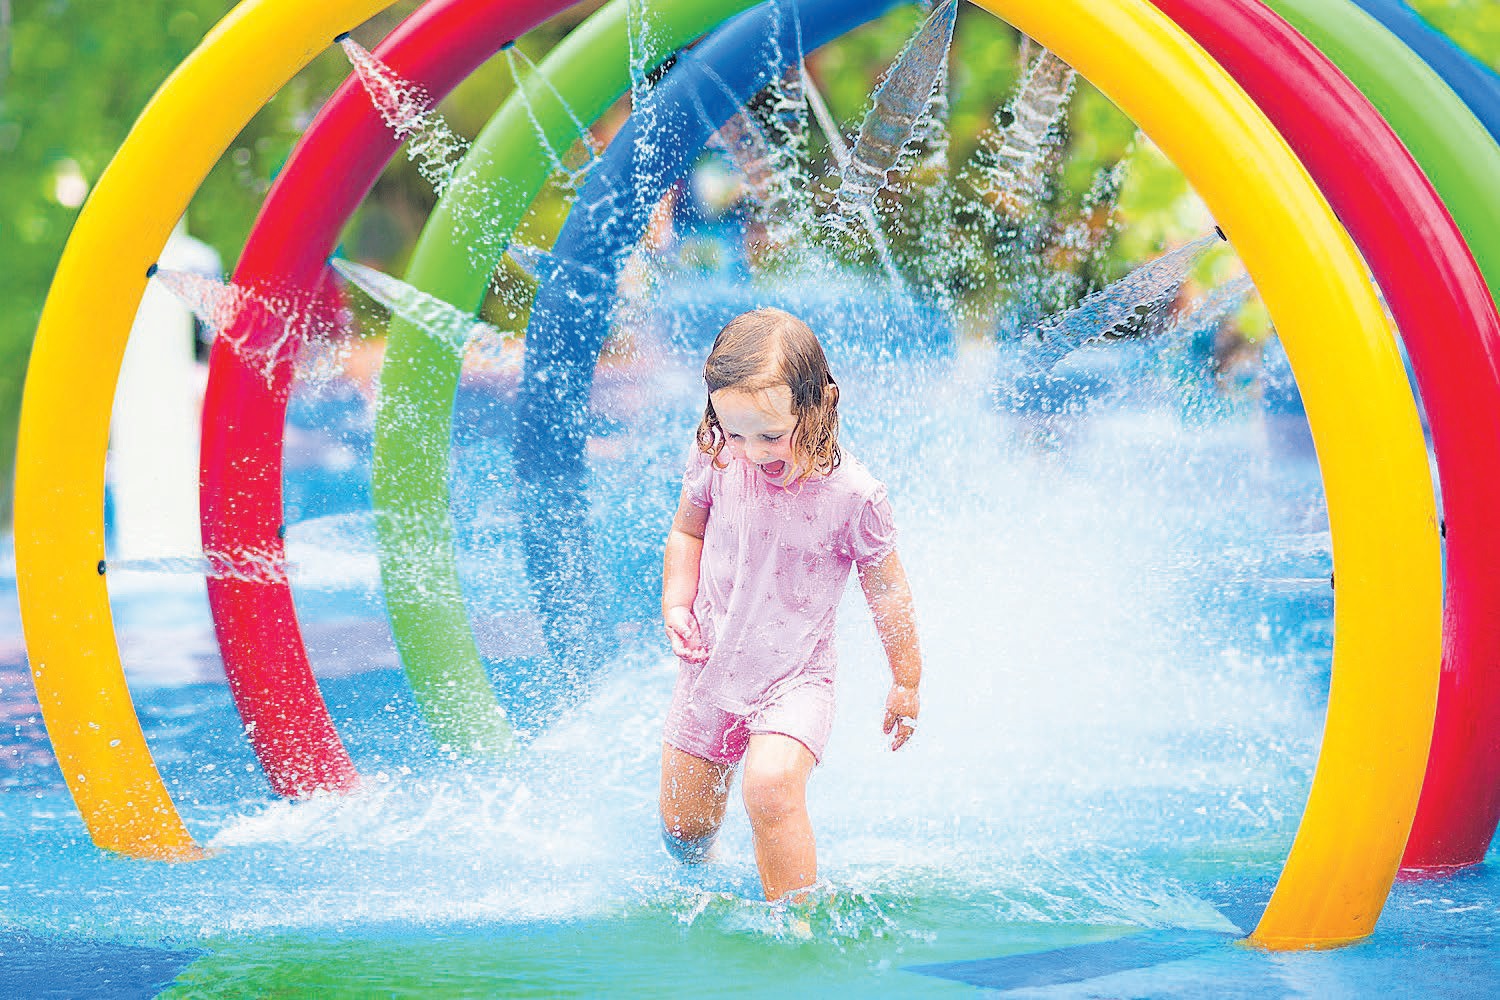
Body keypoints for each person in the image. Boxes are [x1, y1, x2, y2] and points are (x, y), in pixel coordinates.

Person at [659, 307, 923, 903]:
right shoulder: (716, 455)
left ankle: (795, 926)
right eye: (735, 432)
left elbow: (887, 591)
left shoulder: (855, 496)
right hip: (710, 666)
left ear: (822, 405)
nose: (751, 452)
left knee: (772, 787)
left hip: (795, 678)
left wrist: (906, 681)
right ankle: (707, 880)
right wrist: (677, 601)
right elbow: (688, 531)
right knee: (683, 828)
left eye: (770, 435)